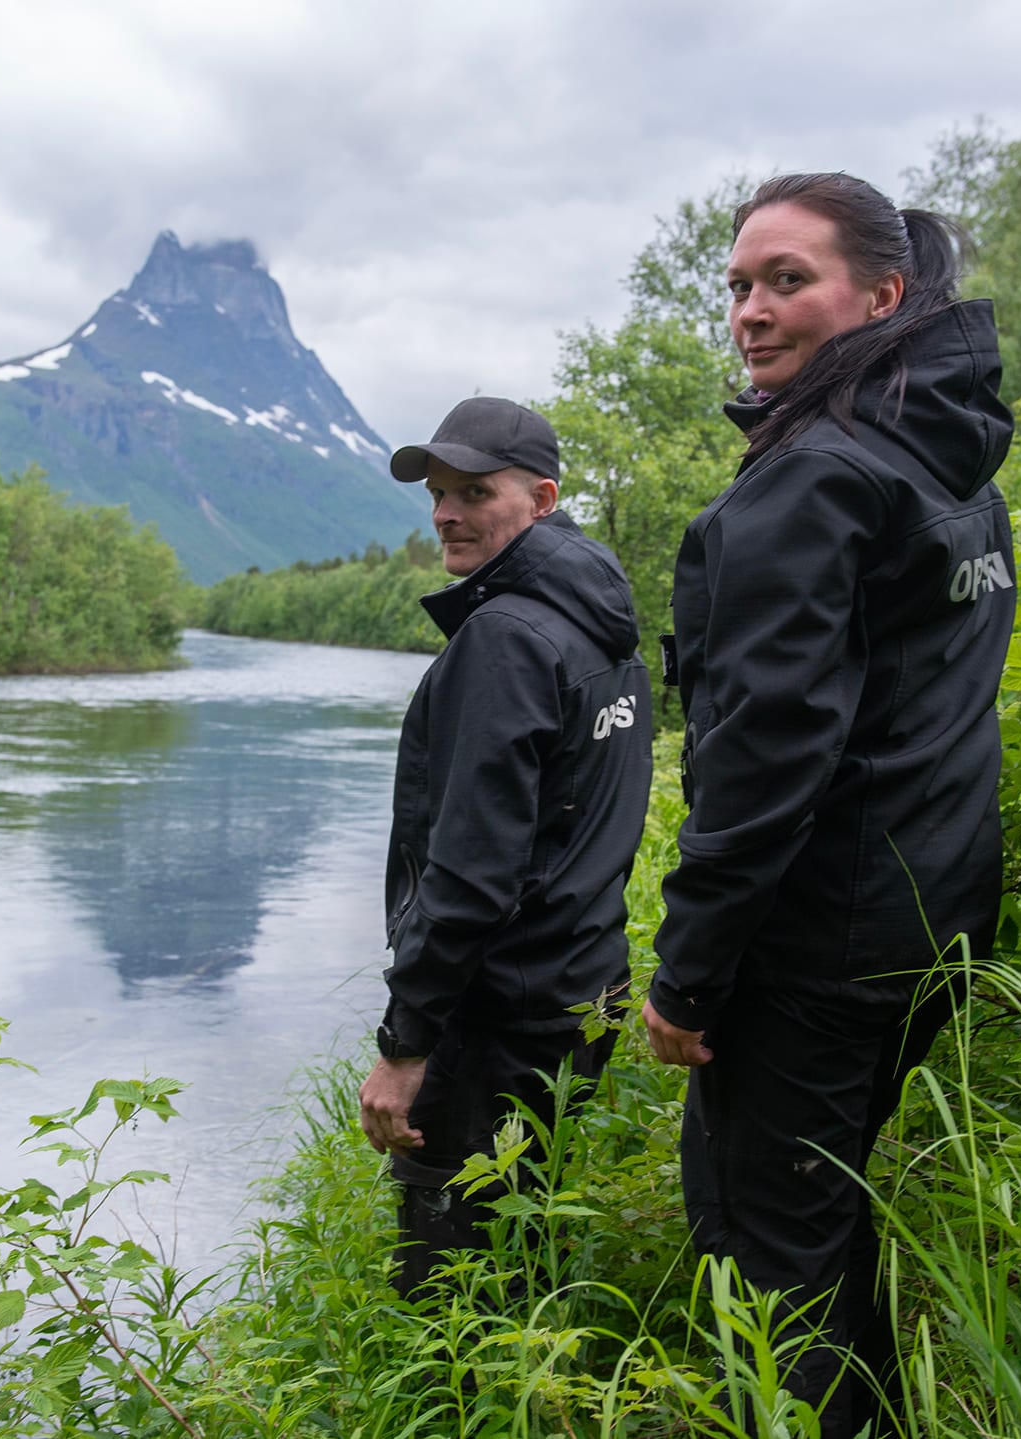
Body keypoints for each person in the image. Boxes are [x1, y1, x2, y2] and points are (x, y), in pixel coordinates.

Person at [641, 173, 1016, 1438]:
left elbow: (764, 758)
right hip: (931, 913)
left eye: (785, 280)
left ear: (880, 295)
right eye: (738, 285)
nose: (748, 310)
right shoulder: (949, 465)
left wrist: (686, 975)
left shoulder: (811, 481)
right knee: (828, 1217)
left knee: (768, 1261)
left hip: (817, 945)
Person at [358, 395, 653, 1298]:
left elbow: (472, 872)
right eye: (438, 492)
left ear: (543, 498)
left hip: (498, 1015)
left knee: (450, 1282)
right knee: (525, 1235)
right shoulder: (599, 625)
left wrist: (406, 1045)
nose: (447, 511)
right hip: (582, 987)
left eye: (475, 492)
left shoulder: (506, 638)